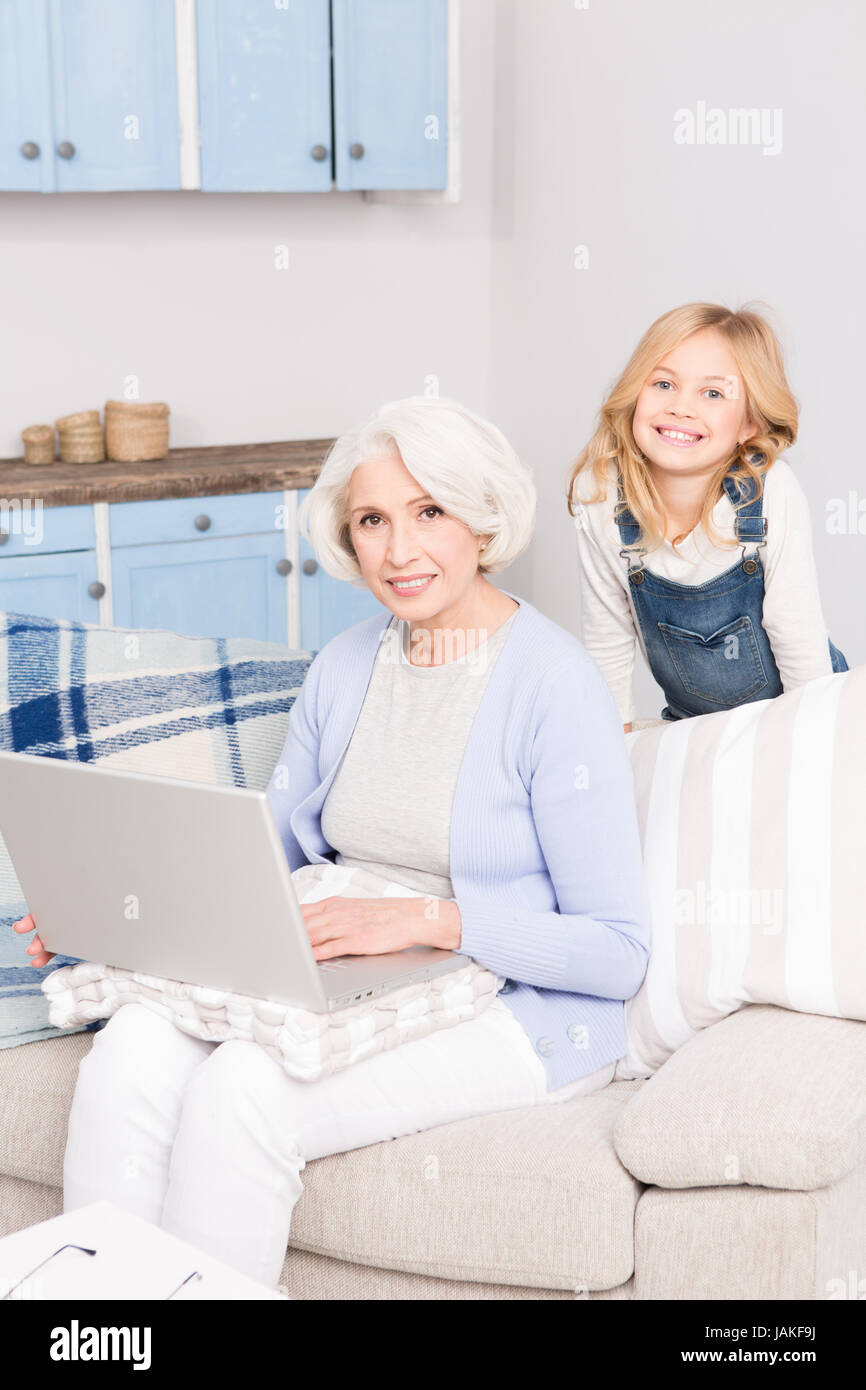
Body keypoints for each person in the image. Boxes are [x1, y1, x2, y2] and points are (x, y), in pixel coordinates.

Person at [15, 396, 651, 1289]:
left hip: (514, 1005)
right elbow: (261, 854)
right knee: (129, 1054)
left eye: (429, 511)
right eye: (372, 521)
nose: (399, 550)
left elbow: (618, 953)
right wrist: (105, 911)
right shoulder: (346, 665)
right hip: (342, 959)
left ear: (482, 518)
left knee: (243, 1092)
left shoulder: (557, 686)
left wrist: (427, 921)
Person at [567, 302, 847, 729]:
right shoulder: (602, 496)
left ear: (749, 423)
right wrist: (613, 752)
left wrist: (808, 749)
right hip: (696, 724)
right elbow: (608, 642)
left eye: (713, 393)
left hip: (801, 708)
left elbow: (797, 638)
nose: (681, 408)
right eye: (663, 383)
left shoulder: (770, 492)